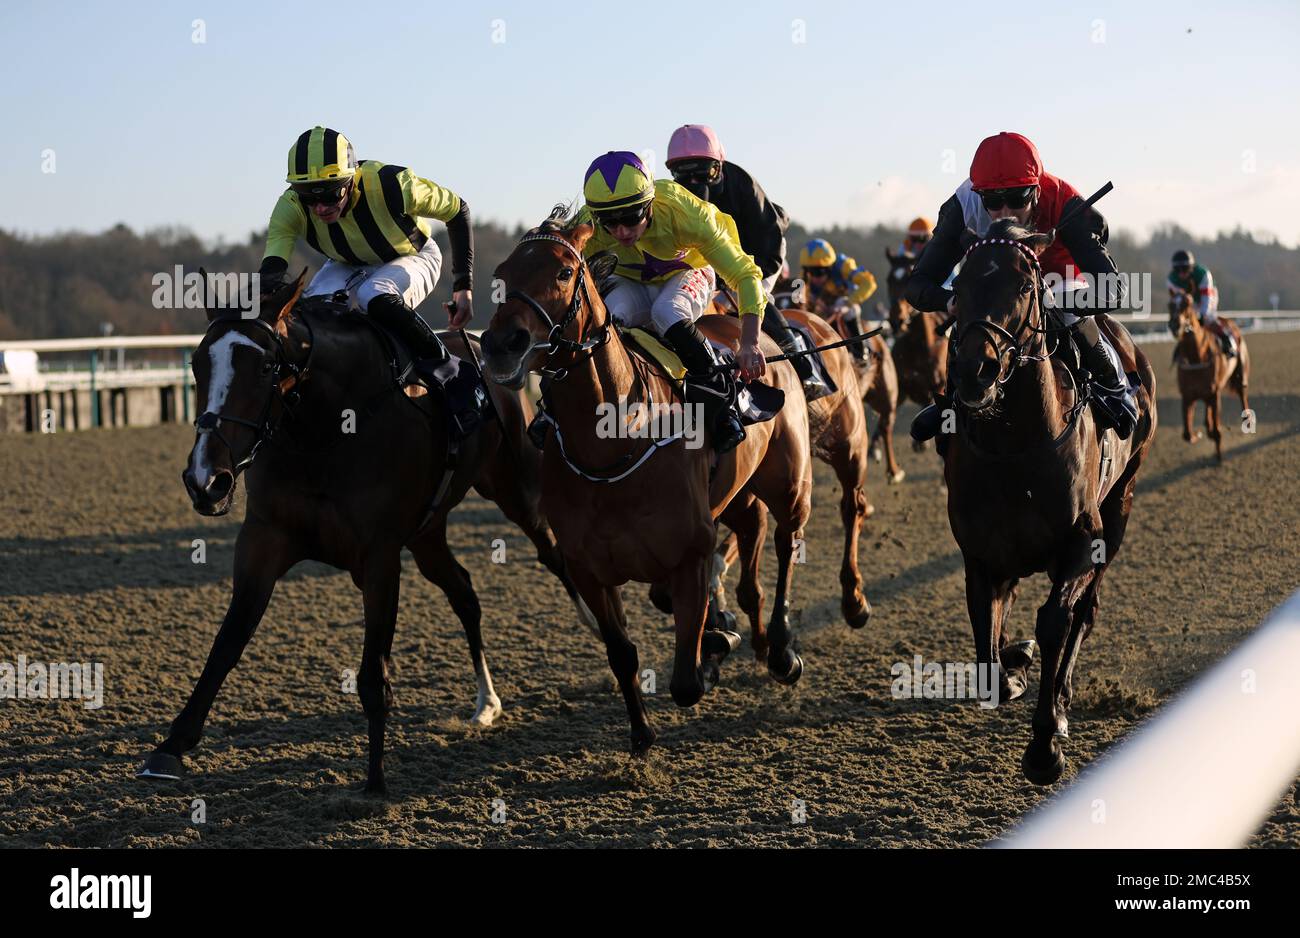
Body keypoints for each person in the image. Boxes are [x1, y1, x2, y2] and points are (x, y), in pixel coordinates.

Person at [906, 131, 1138, 440]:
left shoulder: (1066, 202)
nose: (1005, 213)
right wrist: (950, 301)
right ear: (979, 194)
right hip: (996, 280)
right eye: (993, 201)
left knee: (1067, 309)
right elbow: (917, 284)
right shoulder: (962, 207)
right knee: (972, 313)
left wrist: (1049, 298)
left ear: (1037, 191)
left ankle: (1112, 386)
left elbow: (1114, 289)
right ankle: (953, 400)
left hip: (1058, 276)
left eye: (1017, 199)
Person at [258, 126, 483, 430]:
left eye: (329, 193)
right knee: (306, 311)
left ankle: (452, 374)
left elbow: (458, 211)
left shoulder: (393, 185)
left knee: (373, 294)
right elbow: (271, 273)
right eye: (308, 197)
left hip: (412, 255)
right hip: (346, 263)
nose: (320, 207)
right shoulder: (290, 206)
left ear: (351, 178)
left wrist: (463, 287)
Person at [578, 150, 768, 453]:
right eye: (608, 222)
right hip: (633, 284)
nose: (621, 231)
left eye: (630, 217)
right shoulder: (587, 225)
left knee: (666, 310)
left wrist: (749, 342)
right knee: (606, 321)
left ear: (650, 203)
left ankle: (722, 407)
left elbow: (746, 275)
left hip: (689, 273)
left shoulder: (687, 214)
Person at [666, 124, 830, 399]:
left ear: (718, 167)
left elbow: (765, 247)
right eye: (684, 173)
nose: (694, 182)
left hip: (761, 250)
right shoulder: (673, 197)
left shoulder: (743, 187)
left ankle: (803, 366)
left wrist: (733, 279)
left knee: (750, 298)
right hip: (711, 258)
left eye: (703, 172)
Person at [798, 238, 878, 361]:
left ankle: (861, 353)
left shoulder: (843, 265)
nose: (815, 277)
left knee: (847, 307)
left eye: (820, 272)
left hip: (846, 304)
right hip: (823, 309)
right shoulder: (803, 278)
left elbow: (869, 283)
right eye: (811, 272)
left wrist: (848, 303)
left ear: (830, 267)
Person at [1168, 249, 1235, 356]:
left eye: (1184, 269)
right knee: (1186, 322)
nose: (1181, 273)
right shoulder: (1171, 279)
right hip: (1190, 300)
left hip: (1208, 296)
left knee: (1208, 319)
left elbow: (1206, 298)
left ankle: (1228, 341)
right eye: (1178, 270)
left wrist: (1203, 316)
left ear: (1191, 267)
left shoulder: (1203, 274)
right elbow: (1178, 301)